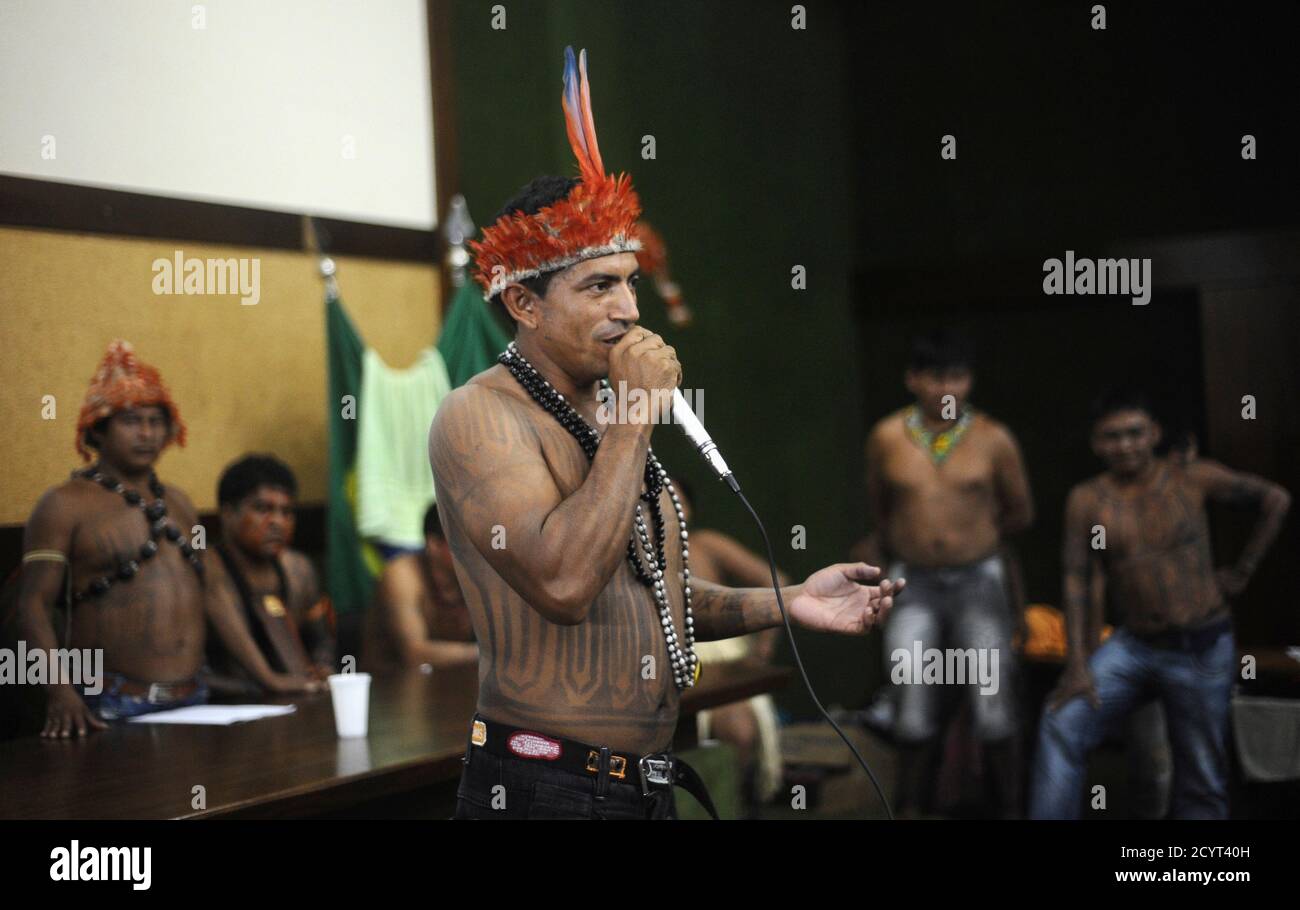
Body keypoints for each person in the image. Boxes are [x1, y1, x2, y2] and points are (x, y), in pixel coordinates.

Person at [428, 47, 902, 820]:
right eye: (599, 286)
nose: (630, 310)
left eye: (631, 282)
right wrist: (635, 418)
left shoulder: (603, 409)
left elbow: (652, 594)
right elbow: (565, 583)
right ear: (525, 305)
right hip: (545, 789)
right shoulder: (479, 416)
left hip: (641, 779)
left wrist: (788, 602)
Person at [1030, 388, 1291, 819]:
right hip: (1134, 647)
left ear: (1153, 433)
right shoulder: (1088, 500)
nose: (1125, 445)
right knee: (1062, 720)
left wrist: (1242, 571)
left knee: (1202, 772)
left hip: (1202, 646)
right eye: (1112, 437)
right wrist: (1078, 662)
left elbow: (1275, 500)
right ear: (1097, 444)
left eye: (1134, 433)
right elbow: (1078, 579)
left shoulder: (1192, 478)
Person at [860, 329, 1034, 817]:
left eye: (957, 377)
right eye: (935, 378)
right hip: (913, 583)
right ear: (913, 380)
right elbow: (880, 507)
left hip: (979, 580)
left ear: (970, 381)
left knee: (994, 708)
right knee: (911, 709)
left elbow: (1019, 513)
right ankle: (911, 811)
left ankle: (1011, 812)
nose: (947, 389)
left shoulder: (993, 439)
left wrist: (971, 535)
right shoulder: (887, 437)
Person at [18, 340, 208, 733]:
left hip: (196, 698)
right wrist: (60, 692)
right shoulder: (62, 504)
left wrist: (272, 678)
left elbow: (216, 590)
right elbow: (32, 606)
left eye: (157, 422)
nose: (147, 433)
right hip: (109, 702)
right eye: (131, 421)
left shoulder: (181, 502)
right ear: (97, 431)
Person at [673, 480, 786, 809]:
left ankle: (741, 805)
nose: (669, 510)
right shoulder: (630, 549)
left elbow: (775, 580)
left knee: (739, 733)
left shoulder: (706, 544)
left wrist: (763, 648)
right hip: (666, 661)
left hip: (724, 660)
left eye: (677, 501)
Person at [204, 455, 333, 696]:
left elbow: (321, 639)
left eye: (286, 512)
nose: (277, 522)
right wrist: (266, 686)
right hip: (226, 708)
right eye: (263, 509)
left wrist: (323, 667)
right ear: (228, 513)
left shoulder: (298, 569)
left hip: (295, 699)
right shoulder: (207, 569)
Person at [362, 503, 478, 672]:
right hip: (390, 688)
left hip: (452, 684)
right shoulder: (402, 575)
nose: (475, 550)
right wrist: (486, 654)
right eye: (465, 542)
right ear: (434, 544)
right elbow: (415, 654)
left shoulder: (478, 577)